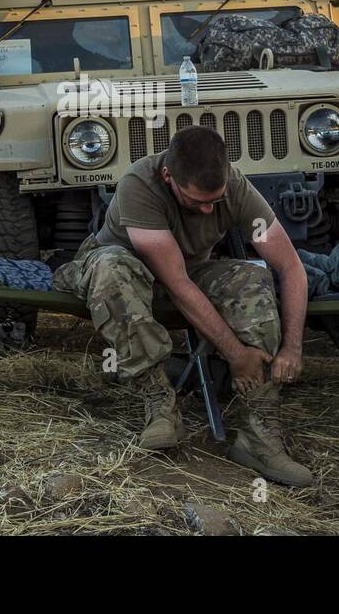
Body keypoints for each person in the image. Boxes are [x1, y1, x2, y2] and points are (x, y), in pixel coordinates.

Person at [54, 125, 313, 487]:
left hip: (186, 273)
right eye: (196, 202)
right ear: (168, 176)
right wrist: (235, 354)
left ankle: (260, 434)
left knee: (250, 279)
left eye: (215, 200)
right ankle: (159, 403)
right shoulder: (139, 185)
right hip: (114, 271)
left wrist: (292, 348)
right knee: (114, 266)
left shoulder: (234, 187)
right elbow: (176, 284)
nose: (208, 209)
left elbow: (290, 267)